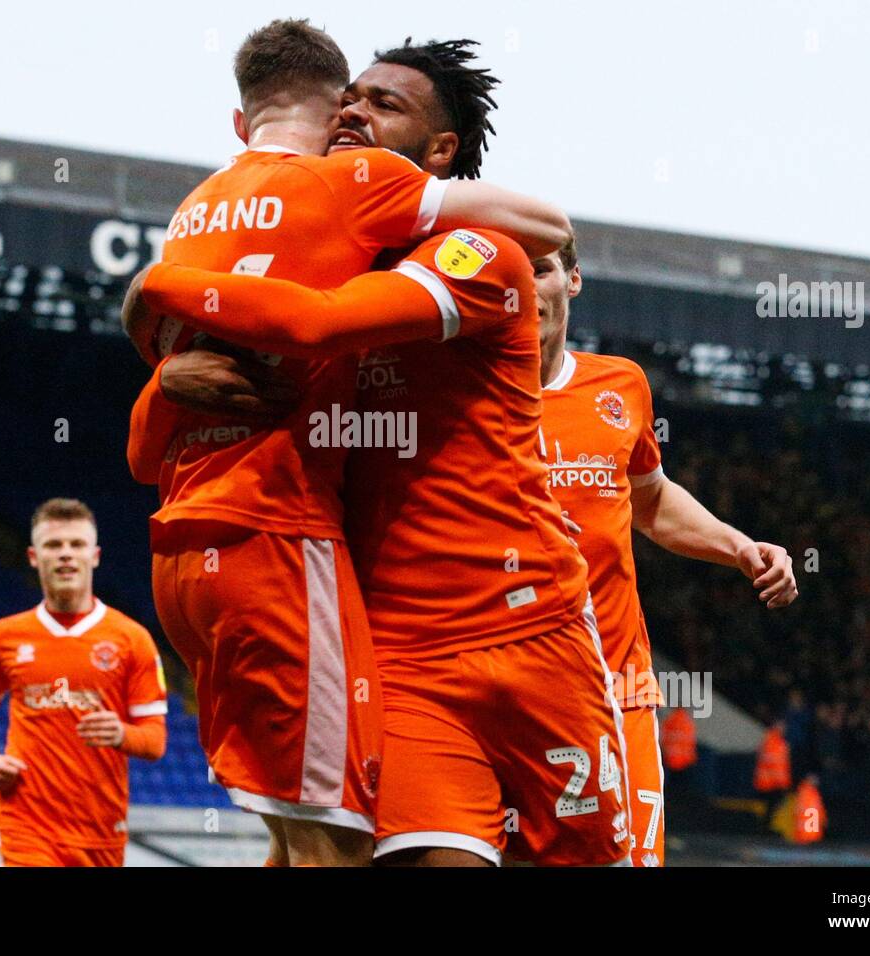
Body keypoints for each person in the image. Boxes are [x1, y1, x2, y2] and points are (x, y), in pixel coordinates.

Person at [128, 41, 632, 868]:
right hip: (396, 653)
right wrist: (168, 381)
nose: (353, 112)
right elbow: (149, 450)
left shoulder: (479, 256)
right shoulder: (326, 254)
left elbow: (317, 325)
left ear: (440, 152)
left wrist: (149, 292)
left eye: (384, 105)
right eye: (350, 98)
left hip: (527, 625)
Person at [529, 241, 798, 865]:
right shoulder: (459, 390)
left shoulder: (620, 385)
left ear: (573, 279)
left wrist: (740, 547)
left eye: (541, 269)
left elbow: (649, 501)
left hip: (616, 687)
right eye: (512, 272)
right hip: (507, 687)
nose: (527, 288)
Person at [0, 498, 168, 867]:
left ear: (95, 555)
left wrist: (122, 733)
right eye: (53, 545)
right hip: (25, 825)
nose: (66, 554)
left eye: (77, 544)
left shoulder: (132, 639)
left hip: (100, 831)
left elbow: (155, 740)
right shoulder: (5, 637)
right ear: (33, 556)